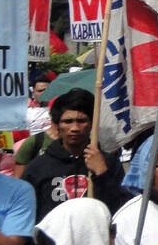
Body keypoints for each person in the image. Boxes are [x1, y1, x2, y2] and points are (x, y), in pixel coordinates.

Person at [22, 89, 125, 218]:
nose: (75, 128)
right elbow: (27, 214)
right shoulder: (37, 168)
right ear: (57, 125)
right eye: (68, 121)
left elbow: (121, 210)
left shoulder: (109, 163)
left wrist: (102, 174)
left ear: (92, 123)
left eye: (81, 121)